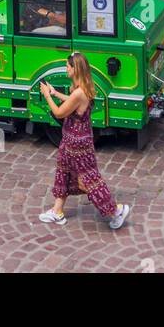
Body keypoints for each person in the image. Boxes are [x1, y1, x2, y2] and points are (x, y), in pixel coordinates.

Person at [38, 52, 130, 230]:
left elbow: (59, 113)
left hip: (77, 143)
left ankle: (116, 210)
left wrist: (47, 96)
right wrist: (56, 93)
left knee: (87, 181)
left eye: (68, 66)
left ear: (75, 69)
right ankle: (57, 211)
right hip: (73, 139)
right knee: (63, 172)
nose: (66, 69)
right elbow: (73, 104)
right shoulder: (83, 87)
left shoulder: (79, 92)